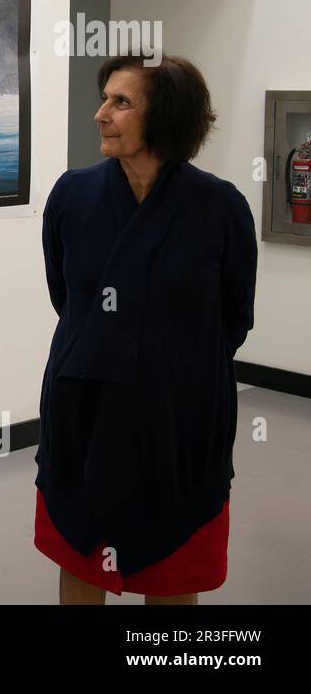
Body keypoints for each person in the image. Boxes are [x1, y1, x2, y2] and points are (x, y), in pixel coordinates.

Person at [35, 54, 257, 605]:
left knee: (173, 569)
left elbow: (234, 317)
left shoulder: (220, 207)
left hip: (178, 418)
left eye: (121, 102)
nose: (100, 114)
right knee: (82, 557)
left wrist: (166, 359)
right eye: (104, 98)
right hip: (84, 411)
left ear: (167, 117)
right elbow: (67, 297)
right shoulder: (72, 196)